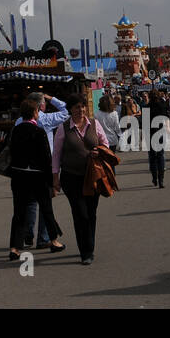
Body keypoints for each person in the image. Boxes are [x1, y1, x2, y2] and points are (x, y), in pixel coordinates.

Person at [52, 95, 109, 265]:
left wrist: (99, 151)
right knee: (80, 214)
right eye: (77, 107)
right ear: (70, 109)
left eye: (83, 106)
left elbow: (105, 143)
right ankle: (86, 251)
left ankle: (89, 245)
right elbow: (56, 154)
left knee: (91, 213)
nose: (81, 110)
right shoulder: (63, 128)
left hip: (93, 176)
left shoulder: (94, 124)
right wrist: (55, 177)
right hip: (71, 177)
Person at [7, 99, 64, 259]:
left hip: (18, 175)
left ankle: (14, 247)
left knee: (18, 212)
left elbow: (11, 151)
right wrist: (52, 181)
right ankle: (53, 240)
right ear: (34, 113)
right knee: (46, 209)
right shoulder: (39, 132)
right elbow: (46, 158)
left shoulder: (16, 131)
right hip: (37, 175)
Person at [17, 92, 68, 247]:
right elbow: (67, 111)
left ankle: (28, 232)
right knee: (46, 204)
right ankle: (43, 238)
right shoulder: (46, 119)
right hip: (44, 166)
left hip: (24, 167)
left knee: (31, 202)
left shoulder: (19, 121)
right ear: (41, 106)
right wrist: (52, 98)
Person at [147, 90, 169, 188]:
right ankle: (161, 180)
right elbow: (166, 118)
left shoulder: (146, 107)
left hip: (150, 133)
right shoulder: (162, 105)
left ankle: (154, 177)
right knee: (160, 155)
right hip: (160, 132)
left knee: (152, 156)